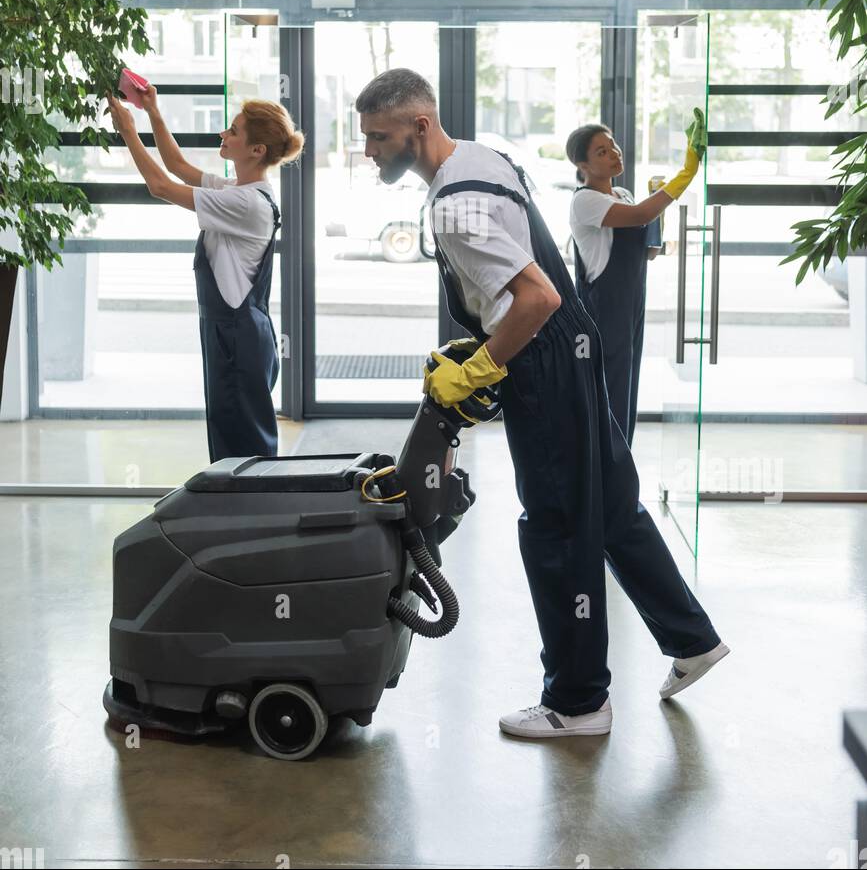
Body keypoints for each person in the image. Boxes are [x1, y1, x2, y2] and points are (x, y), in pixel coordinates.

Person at [355, 68, 728, 739]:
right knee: (612, 508)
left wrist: (479, 366)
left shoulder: (450, 206)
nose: (370, 151)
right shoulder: (484, 157)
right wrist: (479, 347)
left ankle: (578, 701)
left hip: (544, 355)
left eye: (378, 138)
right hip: (574, 344)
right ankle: (691, 639)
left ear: (417, 126)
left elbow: (534, 298)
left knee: (556, 528)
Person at [105, 87, 304, 461]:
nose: (223, 135)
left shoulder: (245, 203)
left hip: (237, 339)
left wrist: (128, 132)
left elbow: (161, 186)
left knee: (243, 453)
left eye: (233, 130)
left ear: (256, 150)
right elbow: (177, 167)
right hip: (235, 335)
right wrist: (152, 110)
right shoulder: (239, 189)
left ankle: (247, 515)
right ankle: (237, 514)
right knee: (233, 442)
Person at [566, 110, 706, 445]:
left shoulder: (623, 195)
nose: (614, 153)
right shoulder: (585, 201)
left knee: (627, 389)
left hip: (631, 307)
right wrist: (683, 176)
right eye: (602, 151)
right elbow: (641, 214)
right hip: (602, 313)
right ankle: (604, 484)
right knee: (609, 392)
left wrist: (658, 216)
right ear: (583, 166)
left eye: (612, 145)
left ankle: (620, 480)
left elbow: (649, 251)